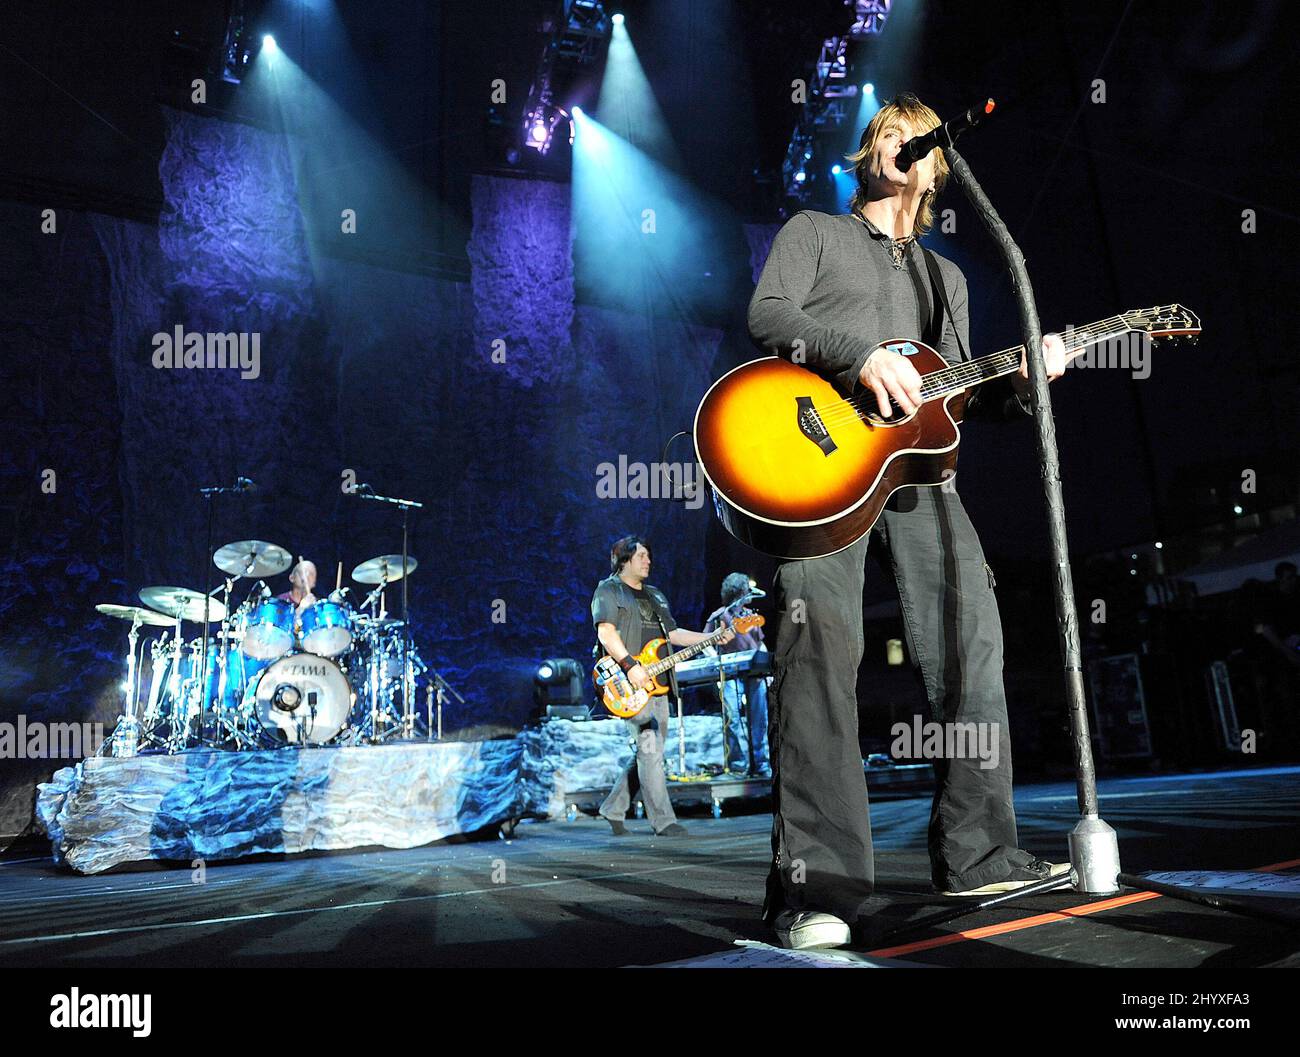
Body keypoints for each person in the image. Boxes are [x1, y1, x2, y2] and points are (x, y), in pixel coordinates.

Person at [746, 93, 1069, 950]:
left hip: (923, 477)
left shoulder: (946, 277)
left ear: (935, 167)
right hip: (822, 464)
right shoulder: (815, 230)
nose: (898, 141)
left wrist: (1028, 377)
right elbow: (769, 315)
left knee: (974, 641)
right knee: (818, 652)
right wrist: (861, 355)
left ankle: (980, 852)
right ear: (869, 154)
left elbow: (959, 401)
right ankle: (820, 889)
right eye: (885, 131)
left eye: (912, 136)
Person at [592, 536, 733, 836]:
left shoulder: (655, 595)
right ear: (624, 560)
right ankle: (664, 821)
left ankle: (613, 808)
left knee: (649, 750)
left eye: (648, 555)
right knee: (651, 747)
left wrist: (712, 638)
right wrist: (630, 666)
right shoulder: (609, 589)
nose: (648, 561)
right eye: (641, 555)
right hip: (627, 683)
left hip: (658, 684)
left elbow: (674, 634)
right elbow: (606, 632)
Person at [703, 572, 771, 778]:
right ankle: (737, 765)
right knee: (731, 719)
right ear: (739, 592)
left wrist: (768, 668)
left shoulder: (751, 616)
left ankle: (761, 764)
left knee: (759, 719)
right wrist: (717, 663)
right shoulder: (719, 616)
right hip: (729, 673)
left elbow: (760, 644)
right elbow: (705, 643)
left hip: (755, 673)